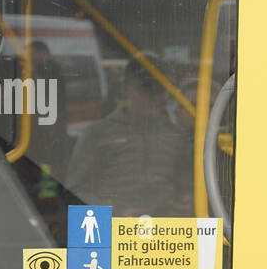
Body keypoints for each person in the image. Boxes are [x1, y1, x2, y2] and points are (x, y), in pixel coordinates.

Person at [65, 52, 193, 217]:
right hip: (112, 232)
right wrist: (114, 213)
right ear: (124, 89)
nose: (156, 97)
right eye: (147, 89)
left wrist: (191, 202)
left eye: (161, 89)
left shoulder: (177, 137)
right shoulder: (98, 133)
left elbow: (190, 186)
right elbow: (74, 192)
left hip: (166, 233)